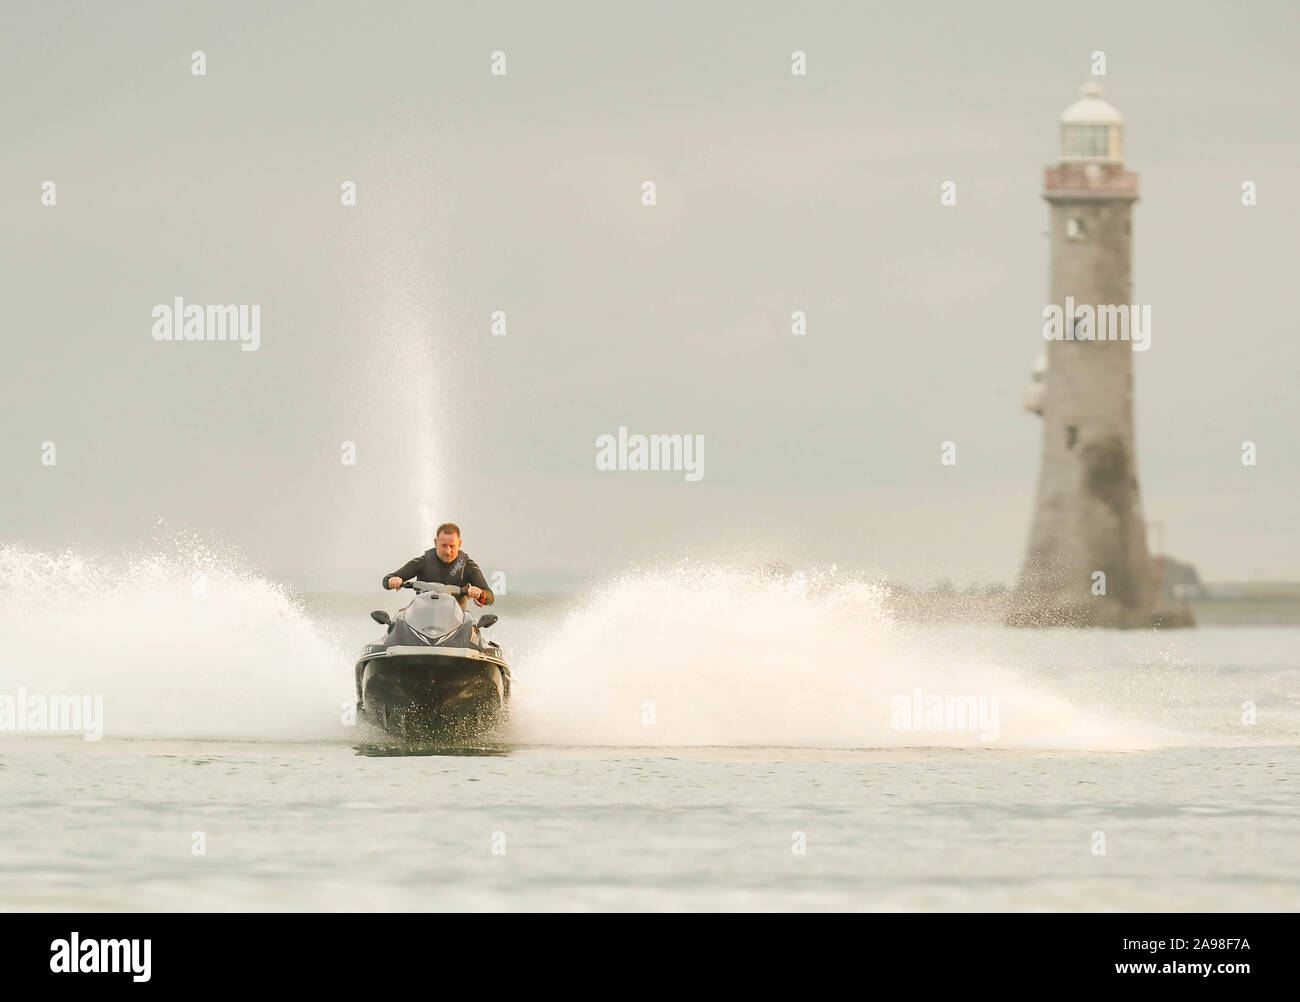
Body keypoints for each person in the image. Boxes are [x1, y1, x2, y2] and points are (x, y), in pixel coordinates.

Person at [383, 523, 494, 607]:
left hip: (457, 623)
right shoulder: (422, 562)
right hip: (422, 620)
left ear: (459, 544)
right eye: (444, 545)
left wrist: (480, 593)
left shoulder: (467, 566)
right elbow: (386, 580)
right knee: (400, 617)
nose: (448, 550)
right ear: (436, 542)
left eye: (452, 546)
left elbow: (490, 597)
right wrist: (393, 580)